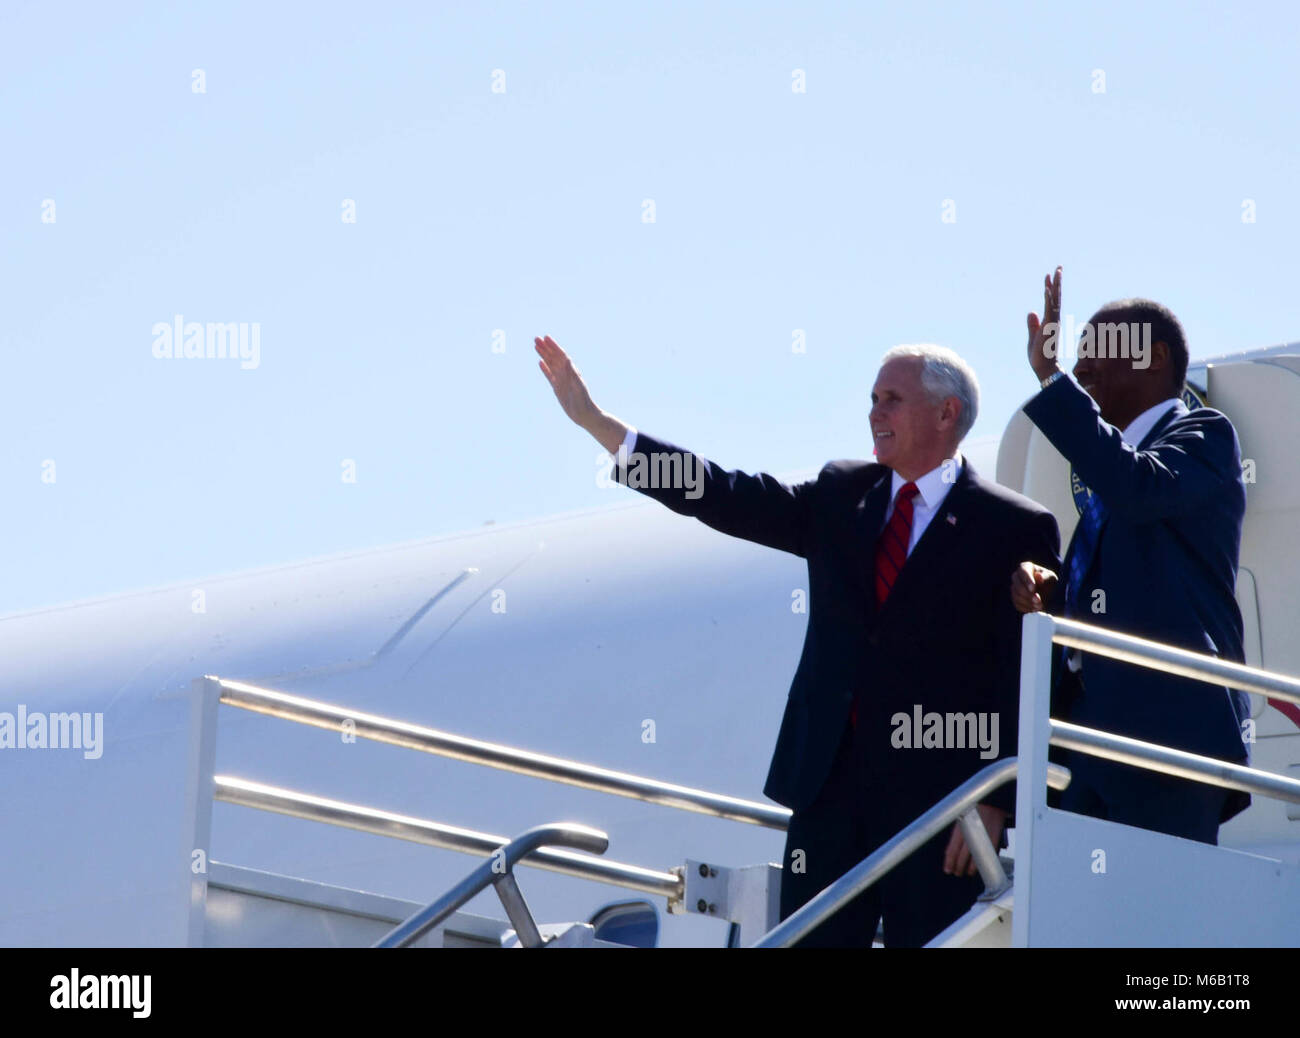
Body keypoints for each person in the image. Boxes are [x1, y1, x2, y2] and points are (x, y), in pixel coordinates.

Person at [536, 334, 1060, 946]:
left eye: (892, 399)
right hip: (827, 790)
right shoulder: (844, 493)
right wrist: (602, 427)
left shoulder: (1012, 525)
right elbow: (725, 495)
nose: (874, 412)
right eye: (872, 398)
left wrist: (998, 797)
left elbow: (1023, 673)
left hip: (940, 808)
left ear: (947, 413)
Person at [1012, 267, 1252, 843]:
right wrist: (1054, 593)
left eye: (1097, 352)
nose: (1083, 367)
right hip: (1084, 739)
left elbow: (1140, 490)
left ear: (1157, 357)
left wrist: (1052, 381)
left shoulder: (1205, 436)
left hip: (1166, 737)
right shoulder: (1112, 473)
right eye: (1078, 356)